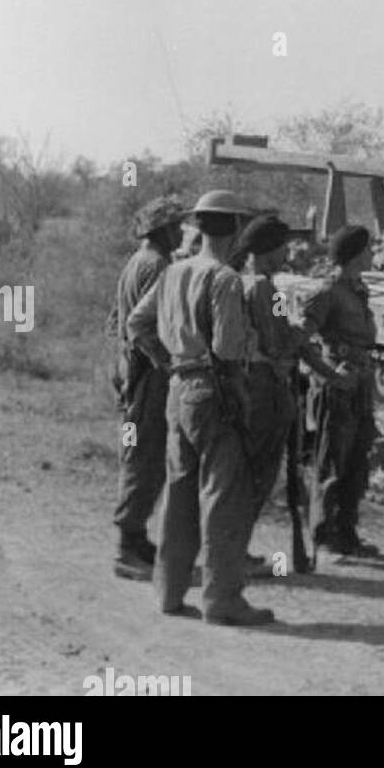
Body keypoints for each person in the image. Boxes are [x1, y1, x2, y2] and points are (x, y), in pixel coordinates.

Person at [125, 189, 272, 626]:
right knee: (225, 497)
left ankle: (169, 592)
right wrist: (251, 347)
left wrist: (169, 362)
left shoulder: (173, 273)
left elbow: (137, 324)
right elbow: (227, 348)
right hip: (217, 393)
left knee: (180, 493)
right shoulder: (224, 279)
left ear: (202, 226)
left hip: (179, 391)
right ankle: (222, 600)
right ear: (235, 228)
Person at [230, 214, 352, 564]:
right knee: (258, 473)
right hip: (265, 388)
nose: (289, 251)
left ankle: (232, 548)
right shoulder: (264, 289)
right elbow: (283, 343)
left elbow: (283, 330)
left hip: (251, 384)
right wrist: (311, 324)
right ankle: (234, 552)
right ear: (269, 250)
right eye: (283, 245)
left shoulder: (247, 282)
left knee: (248, 472)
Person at [112, 195, 185, 581]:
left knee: (140, 453)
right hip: (148, 376)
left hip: (133, 372)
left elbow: (116, 321)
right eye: (176, 226)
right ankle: (127, 547)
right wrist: (164, 362)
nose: (182, 231)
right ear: (164, 230)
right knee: (144, 456)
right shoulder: (157, 265)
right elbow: (140, 327)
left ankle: (136, 539)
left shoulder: (136, 262)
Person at [300, 224, 379, 558]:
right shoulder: (328, 291)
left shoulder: (358, 289)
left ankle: (346, 531)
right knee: (333, 461)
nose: (374, 254)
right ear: (357, 253)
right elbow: (300, 337)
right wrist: (330, 374)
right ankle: (325, 535)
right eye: (369, 249)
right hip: (338, 390)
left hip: (359, 386)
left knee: (357, 463)